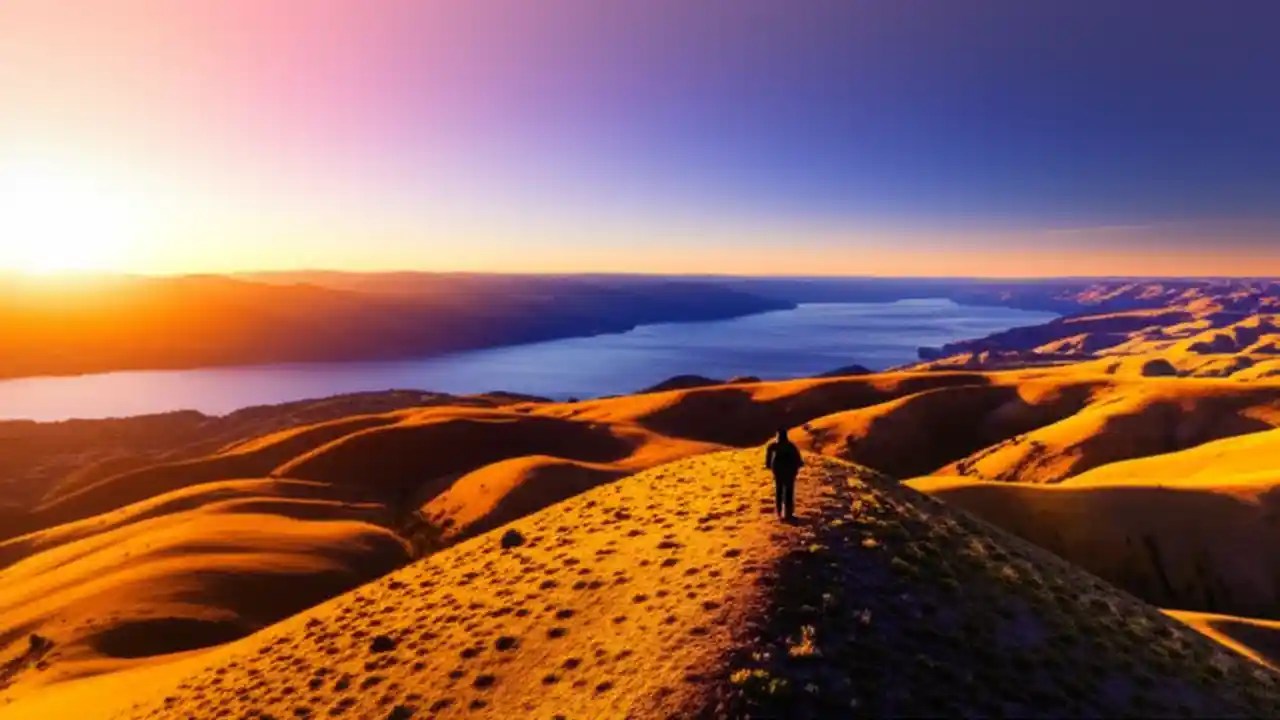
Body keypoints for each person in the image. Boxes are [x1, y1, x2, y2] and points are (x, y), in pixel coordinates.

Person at [765, 427, 803, 520]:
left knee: (779, 491)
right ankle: (788, 514)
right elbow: (798, 460)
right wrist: (797, 467)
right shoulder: (790, 446)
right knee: (788, 492)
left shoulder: (773, 446)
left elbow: (768, 461)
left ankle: (779, 513)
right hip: (789, 472)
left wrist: (770, 466)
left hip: (778, 471)